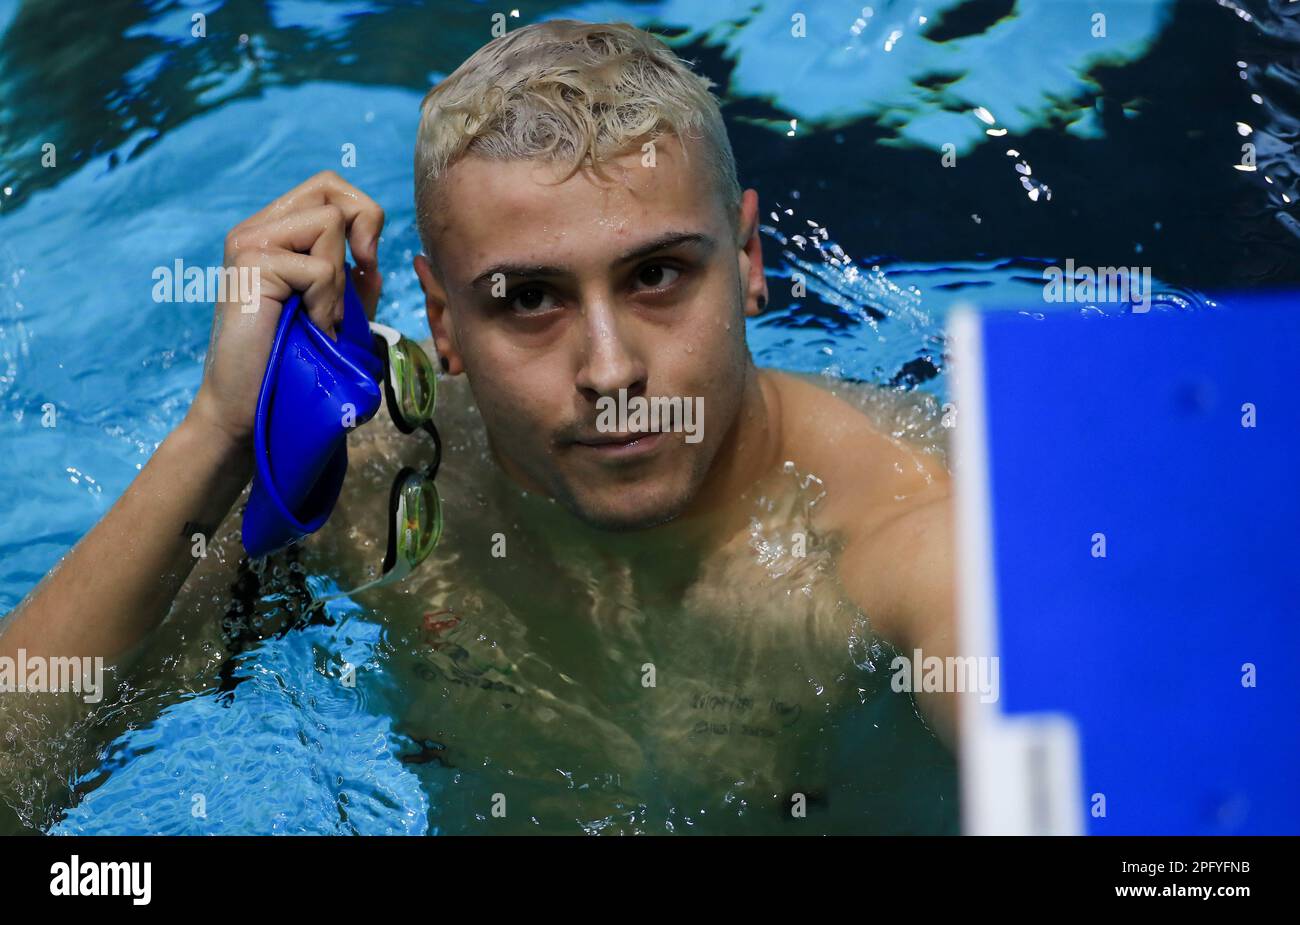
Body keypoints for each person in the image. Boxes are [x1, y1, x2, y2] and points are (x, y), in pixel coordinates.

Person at [1, 19, 958, 833]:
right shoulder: (371, 485)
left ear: (748, 263)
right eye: (529, 298)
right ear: (446, 323)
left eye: (657, 276)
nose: (611, 369)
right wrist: (218, 434)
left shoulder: (922, 522)